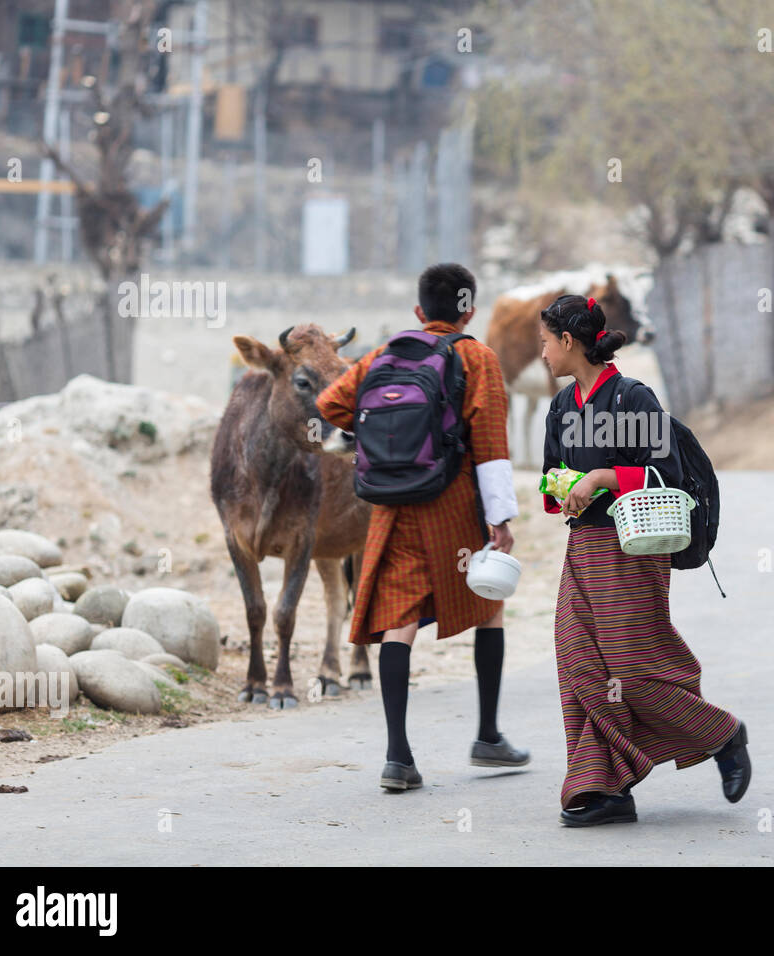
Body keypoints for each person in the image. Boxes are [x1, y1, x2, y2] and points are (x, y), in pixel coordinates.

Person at [538, 293, 749, 827]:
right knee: (579, 666)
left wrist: (603, 477)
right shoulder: (563, 407)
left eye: (545, 342)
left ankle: (721, 733)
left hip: (634, 548)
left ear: (568, 342)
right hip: (582, 548)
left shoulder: (633, 398)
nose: (541, 353)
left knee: (632, 669)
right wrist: (561, 487)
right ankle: (606, 787)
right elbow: (547, 479)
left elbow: (670, 475)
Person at [316, 263, 529, 791]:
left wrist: (385, 441)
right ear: (469, 310)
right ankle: (487, 735)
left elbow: (331, 404)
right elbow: (491, 443)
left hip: (392, 504)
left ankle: (398, 757)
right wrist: (500, 517)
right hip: (452, 501)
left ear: (418, 311)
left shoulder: (382, 356)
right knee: (488, 603)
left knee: (399, 617)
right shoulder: (476, 356)